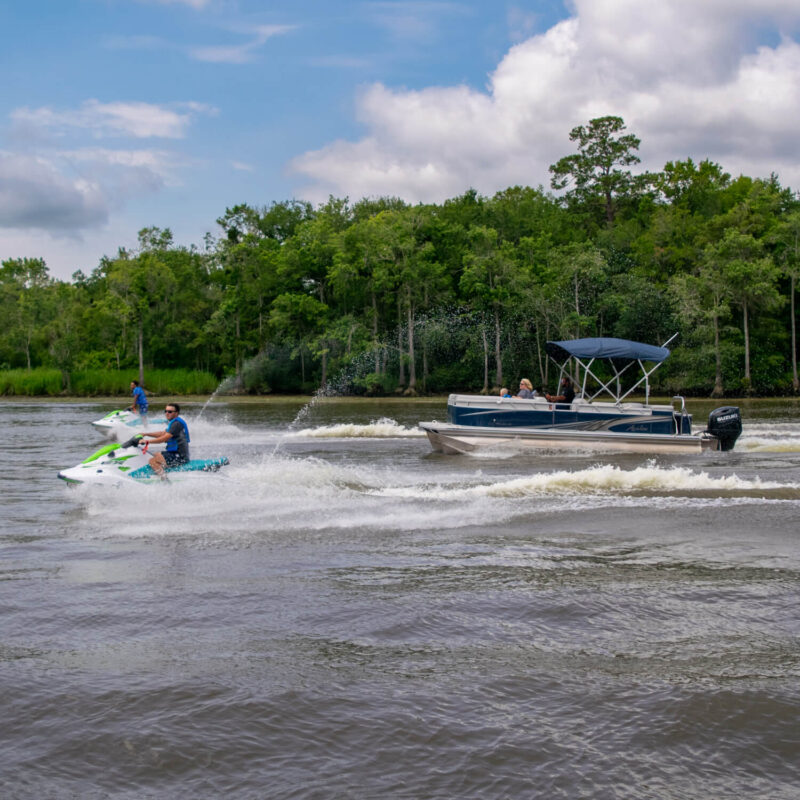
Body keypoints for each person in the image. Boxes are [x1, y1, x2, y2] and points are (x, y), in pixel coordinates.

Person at [140, 403, 190, 480]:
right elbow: (162, 433)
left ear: (176, 413)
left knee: (152, 461)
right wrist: (146, 434)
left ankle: (164, 479)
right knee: (156, 454)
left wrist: (147, 441)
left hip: (180, 456)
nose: (167, 413)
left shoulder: (176, 424)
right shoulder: (174, 422)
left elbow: (163, 439)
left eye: (170, 412)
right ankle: (163, 469)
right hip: (176, 453)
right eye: (165, 411)